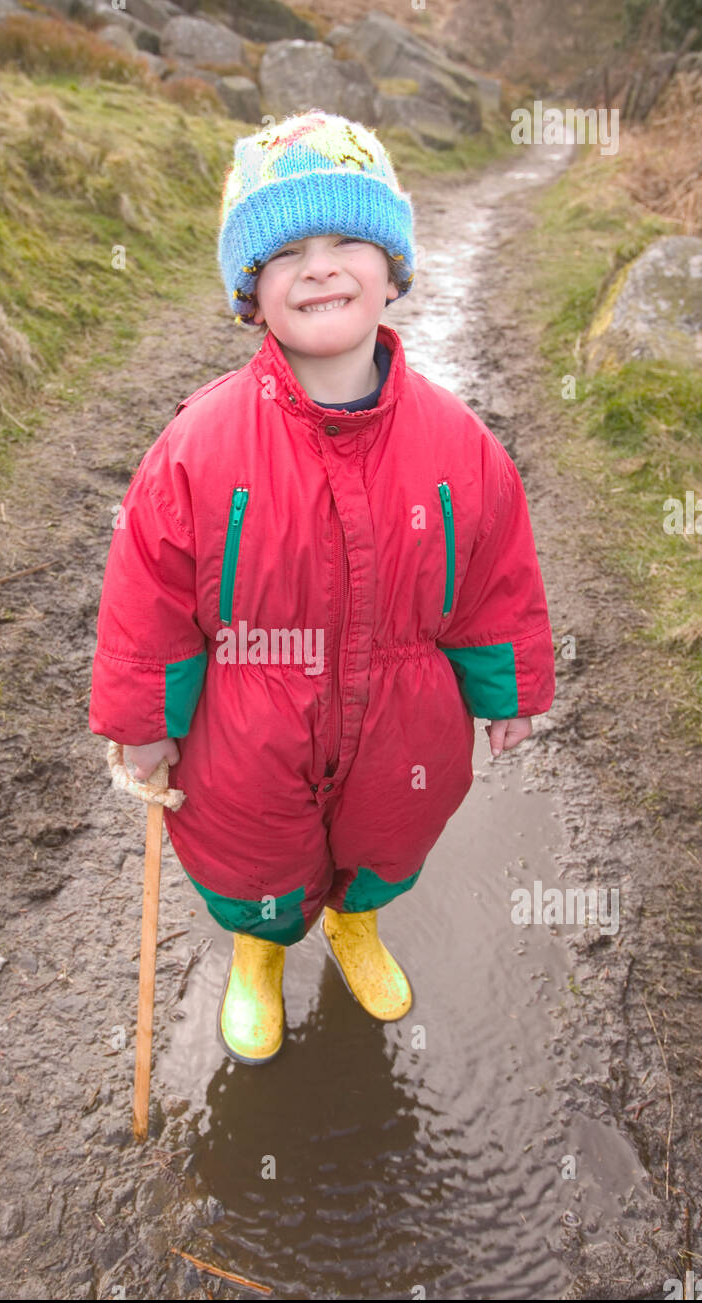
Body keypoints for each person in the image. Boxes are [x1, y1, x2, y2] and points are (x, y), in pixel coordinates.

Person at [89, 110, 556, 1066]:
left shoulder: (458, 444)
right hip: (248, 724)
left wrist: (506, 688)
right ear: (251, 292)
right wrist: (145, 718)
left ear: (393, 268)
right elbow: (150, 590)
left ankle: (356, 926)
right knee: (257, 849)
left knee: (389, 827)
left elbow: (496, 572)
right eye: (287, 249)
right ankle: (259, 951)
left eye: (350, 238)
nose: (321, 266)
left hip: (402, 716)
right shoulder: (200, 444)